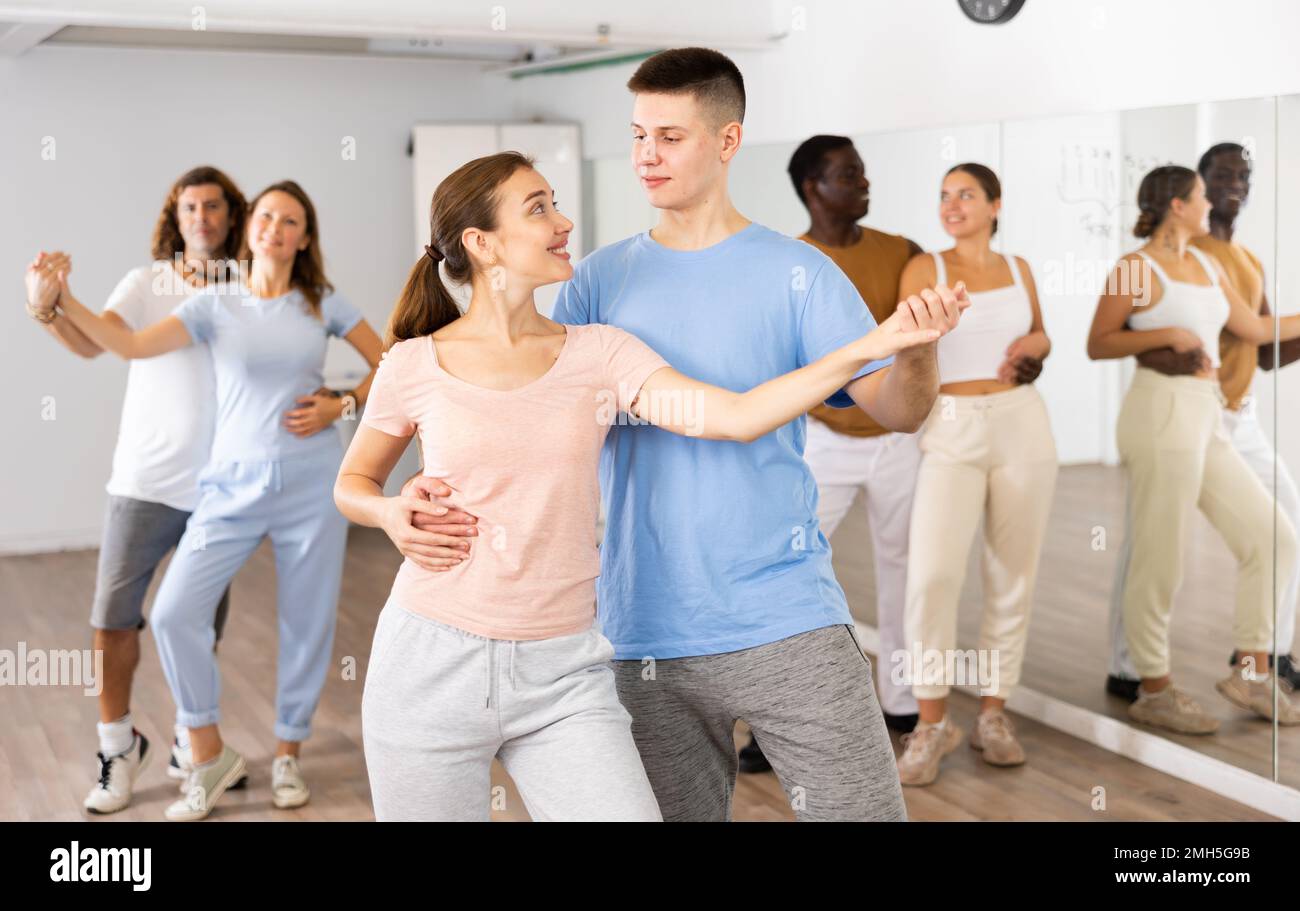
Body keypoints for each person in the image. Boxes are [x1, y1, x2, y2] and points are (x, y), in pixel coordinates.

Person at [408, 48, 969, 821]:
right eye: (639, 134)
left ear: (728, 140)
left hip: (789, 618)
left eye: (669, 136)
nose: (646, 155)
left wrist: (919, 345)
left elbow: (902, 412)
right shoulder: (597, 282)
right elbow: (519, 410)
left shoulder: (797, 274)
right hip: (640, 635)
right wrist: (425, 483)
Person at [48, 180, 384, 819]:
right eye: (265, 216)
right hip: (230, 485)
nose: (274, 228)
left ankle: (286, 753)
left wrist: (343, 403)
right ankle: (207, 753)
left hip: (311, 482)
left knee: (306, 623)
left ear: (304, 236)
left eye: (290, 220)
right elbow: (131, 345)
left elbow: (389, 359)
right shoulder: (214, 304)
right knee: (175, 613)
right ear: (249, 226)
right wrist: (64, 301)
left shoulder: (322, 302)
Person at [23, 166, 257, 814]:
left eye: (213, 206)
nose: (202, 217)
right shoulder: (146, 282)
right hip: (144, 482)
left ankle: (193, 740)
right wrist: (48, 304)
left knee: (197, 624)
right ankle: (117, 746)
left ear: (231, 215)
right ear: (175, 217)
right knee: (111, 621)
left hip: (218, 490)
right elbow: (95, 344)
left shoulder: (249, 286)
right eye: (190, 207)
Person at [1087, 164, 1300, 734]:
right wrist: (1166, 335)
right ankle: (1153, 688)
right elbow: (1099, 341)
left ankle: (1252, 672)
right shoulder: (1136, 268)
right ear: (1178, 205)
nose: (1210, 204)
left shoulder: (1205, 263)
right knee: (1162, 554)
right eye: (1202, 196)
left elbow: (1255, 332)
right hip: (1160, 413)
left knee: (1274, 535)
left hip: (1207, 415)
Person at [893, 163, 1057, 786]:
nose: (952, 205)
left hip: (1022, 422)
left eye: (965, 195)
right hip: (952, 425)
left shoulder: (1018, 269)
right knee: (933, 575)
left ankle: (994, 712)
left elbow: (1040, 332)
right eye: (943, 196)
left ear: (995, 204)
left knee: (1012, 571)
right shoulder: (924, 269)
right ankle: (931, 723)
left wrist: (1035, 349)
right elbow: (904, 345)